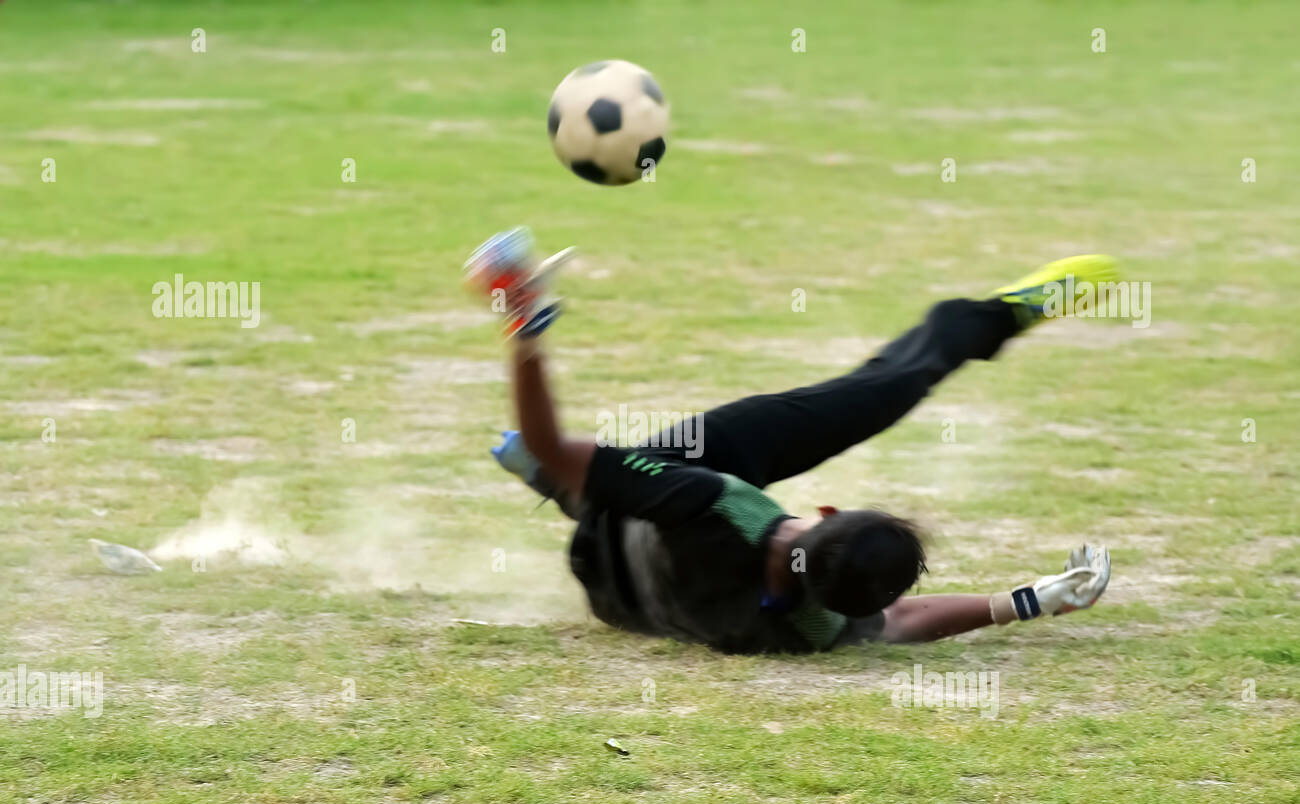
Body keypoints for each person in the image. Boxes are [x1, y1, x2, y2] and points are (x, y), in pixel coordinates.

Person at [464, 227, 1112, 654]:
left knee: (868, 398)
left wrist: (525, 330)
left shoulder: (712, 503)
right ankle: (571, 486)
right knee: (618, 492)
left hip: (662, 498)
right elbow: (904, 623)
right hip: (615, 593)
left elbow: (554, 442)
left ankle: (569, 485)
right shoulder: (807, 627)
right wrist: (1027, 601)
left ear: (825, 511)